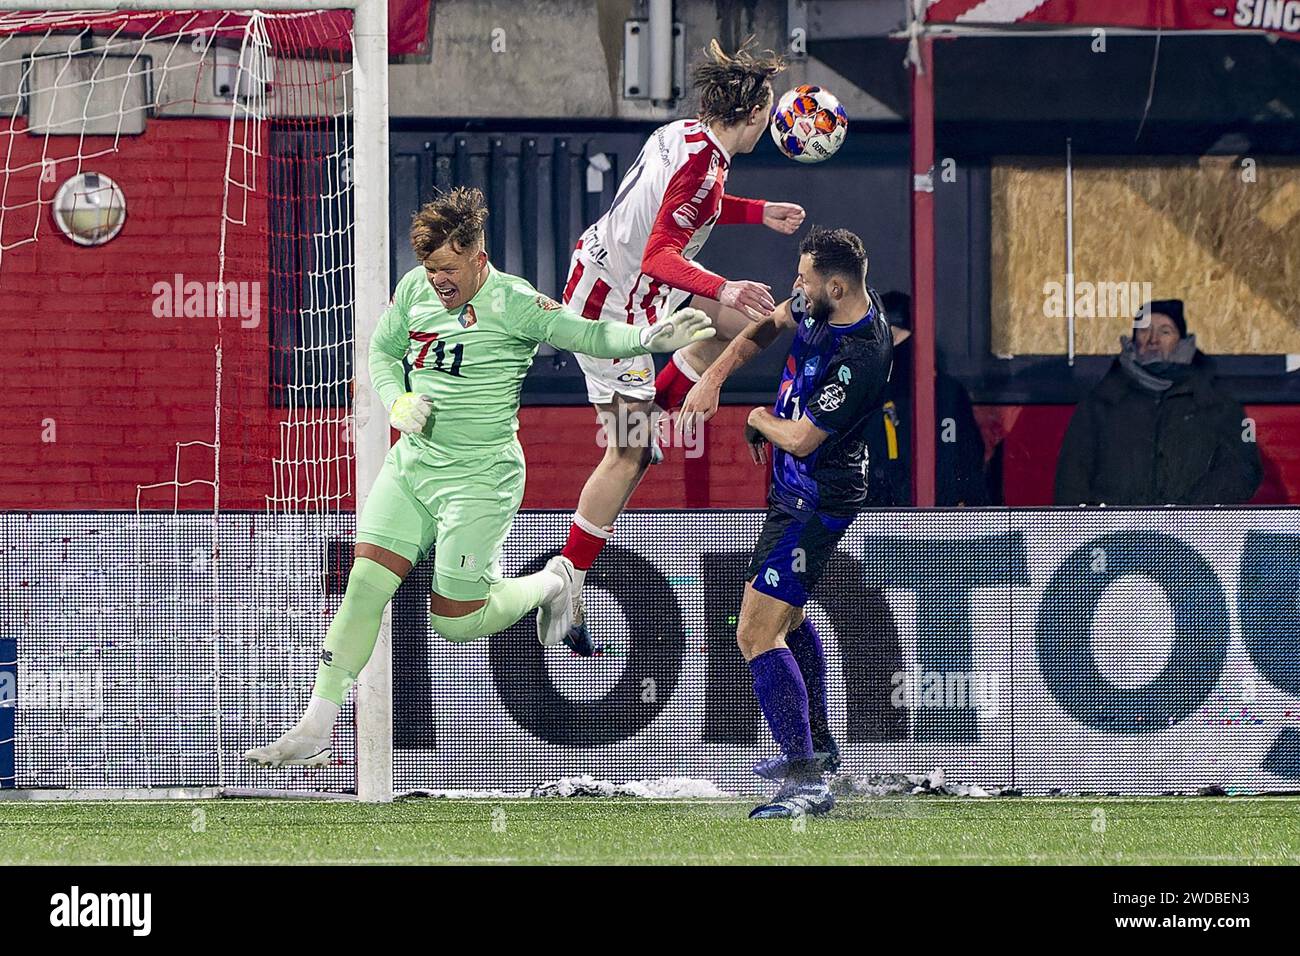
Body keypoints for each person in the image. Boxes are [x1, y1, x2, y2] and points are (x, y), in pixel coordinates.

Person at [245, 187, 714, 768]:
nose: (436, 279)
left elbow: (587, 335)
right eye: (429, 267)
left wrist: (645, 338)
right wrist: (395, 402)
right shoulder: (414, 290)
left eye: (446, 268)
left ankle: (554, 583)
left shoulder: (514, 301)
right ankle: (317, 722)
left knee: (456, 622)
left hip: (481, 479)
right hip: (413, 467)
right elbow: (382, 351)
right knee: (364, 586)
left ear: (476, 255)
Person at [555, 38, 806, 654]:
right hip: (610, 306)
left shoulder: (687, 134)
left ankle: (658, 408)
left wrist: (756, 212)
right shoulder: (705, 164)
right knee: (631, 456)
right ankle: (569, 582)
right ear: (749, 115)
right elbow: (660, 252)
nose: (769, 125)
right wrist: (725, 282)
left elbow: (687, 208)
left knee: (726, 325)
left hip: (631, 285)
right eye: (767, 114)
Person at [679, 227, 893, 818]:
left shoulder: (862, 355)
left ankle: (805, 778)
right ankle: (819, 755)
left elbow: (800, 437)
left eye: (803, 278)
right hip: (792, 490)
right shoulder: (819, 300)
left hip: (819, 498)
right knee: (788, 616)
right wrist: (714, 375)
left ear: (836, 285)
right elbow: (767, 326)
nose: (794, 287)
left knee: (754, 631)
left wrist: (755, 415)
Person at [1054, 299, 1261, 506]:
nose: (1153, 340)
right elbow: (1071, 479)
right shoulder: (1099, 404)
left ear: (1182, 341)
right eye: (1144, 330)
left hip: (1195, 533)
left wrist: (1191, 510)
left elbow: (1243, 468)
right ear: (1133, 341)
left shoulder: (1218, 403)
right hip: (1116, 535)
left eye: (1165, 331)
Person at [862, 291, 990, 506]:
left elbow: (967, 456)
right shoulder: (945, 390)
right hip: (910, 518)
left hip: (913, 518)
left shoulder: (945, 393)